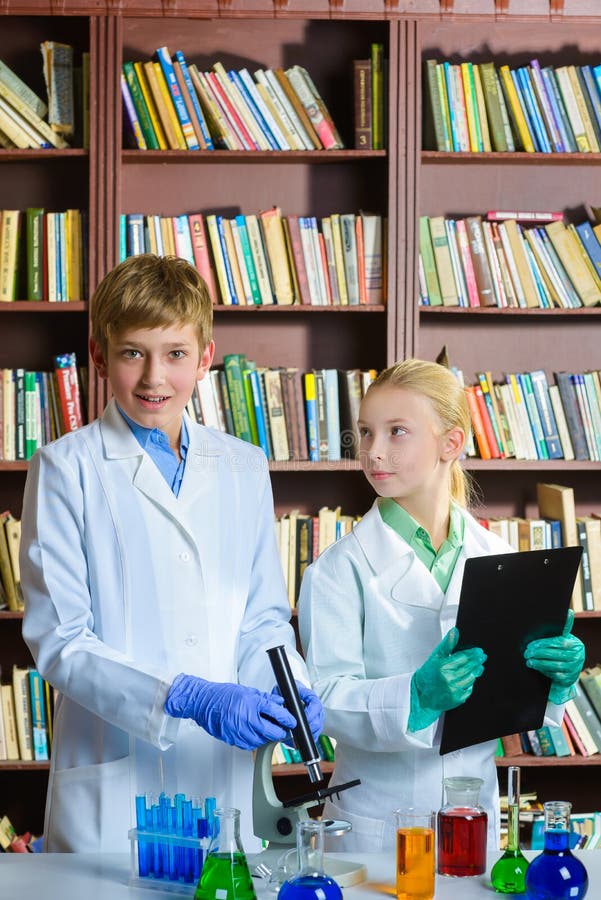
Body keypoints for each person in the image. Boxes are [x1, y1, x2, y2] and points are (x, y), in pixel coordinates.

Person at [20, 254, 323, 853]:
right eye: (133, 352)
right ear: (100, 356)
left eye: (176, 354)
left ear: (206, 358)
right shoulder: (65, 468)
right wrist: (181, 695)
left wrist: (289, 686)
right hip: (113, 786)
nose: (154, 376)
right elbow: (62, 641)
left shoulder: (243, 466)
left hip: (221, 773)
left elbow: (261, 617)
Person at [298, 358, 584, 853]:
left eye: (397, 432)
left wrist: (554, 681)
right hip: (377, 829)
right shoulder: (336, 570)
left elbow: (512, 704)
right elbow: (322, 700)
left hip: (470, 816)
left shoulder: (498, 558)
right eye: (366, 432)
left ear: (450, 444)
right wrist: (416, 697)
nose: (373, 452)